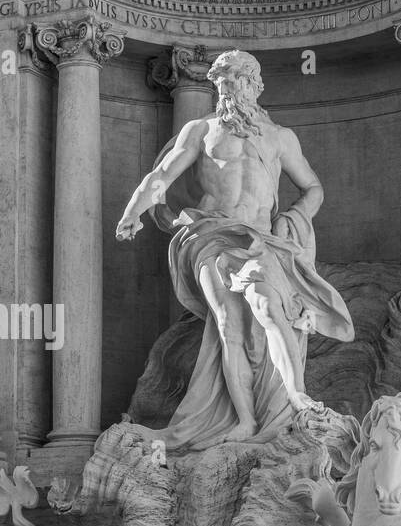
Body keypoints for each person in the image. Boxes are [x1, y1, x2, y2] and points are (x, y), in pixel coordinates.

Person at [115, 49, 353, 450]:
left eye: (235, 81)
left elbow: (313, 188)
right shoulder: (200, 131)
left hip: (261, 239)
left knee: (271, 309)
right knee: (229, 324)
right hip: (210, 235)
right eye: (221, 83)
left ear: (254, 85)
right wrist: (132, 212)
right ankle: (244, 419)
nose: (227, 90)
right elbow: (162, 175)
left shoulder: (280, 138)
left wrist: (292, 217)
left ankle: (295, 398)